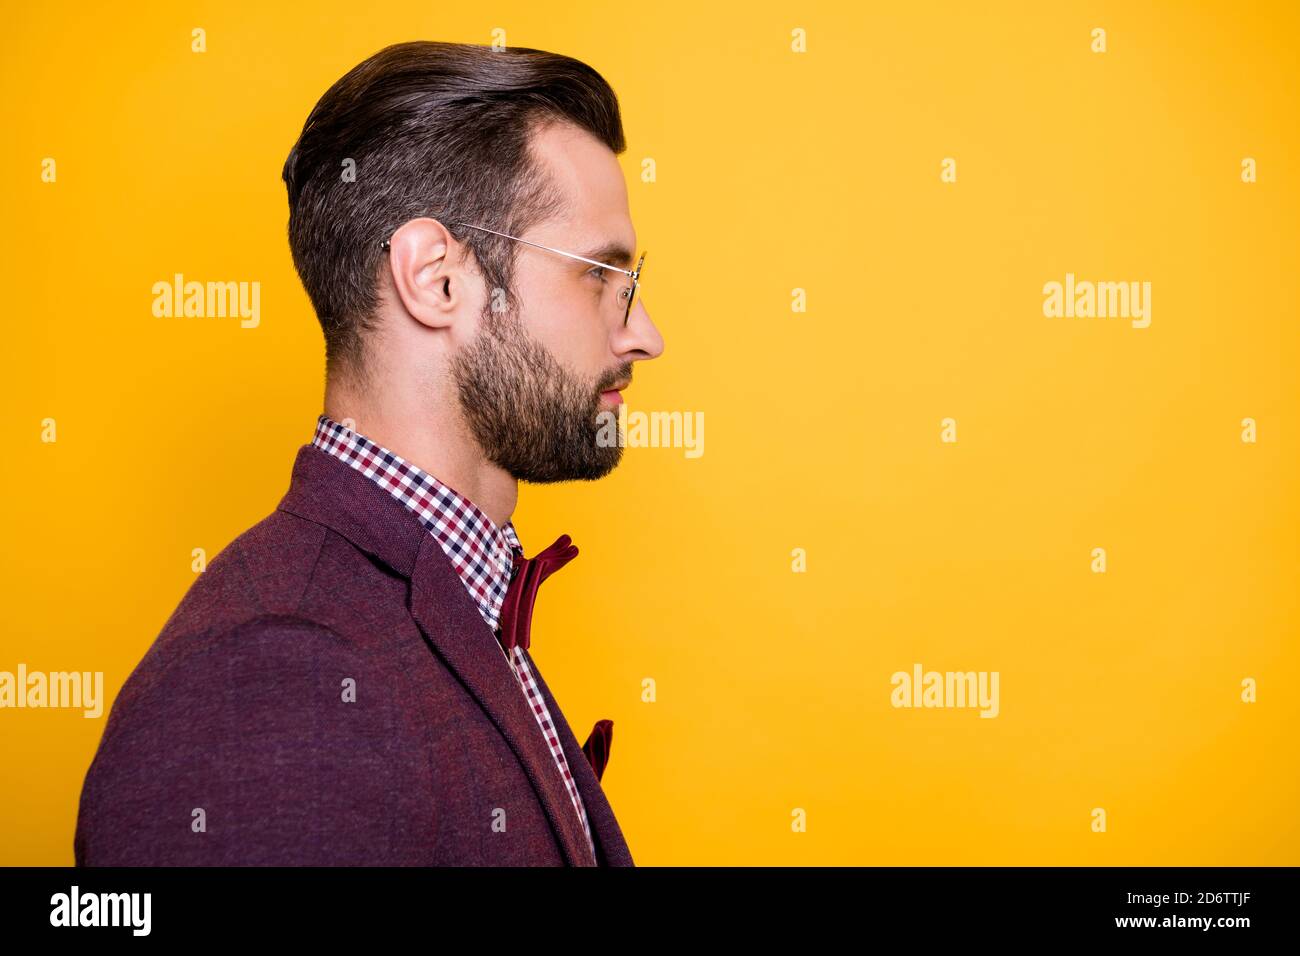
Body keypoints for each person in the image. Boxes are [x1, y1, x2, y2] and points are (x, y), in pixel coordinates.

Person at [73, 39, 664, 866]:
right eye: (598, 275)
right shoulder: (273, 682)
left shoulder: (446, 607)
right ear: (438, 278)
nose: (645, 336)